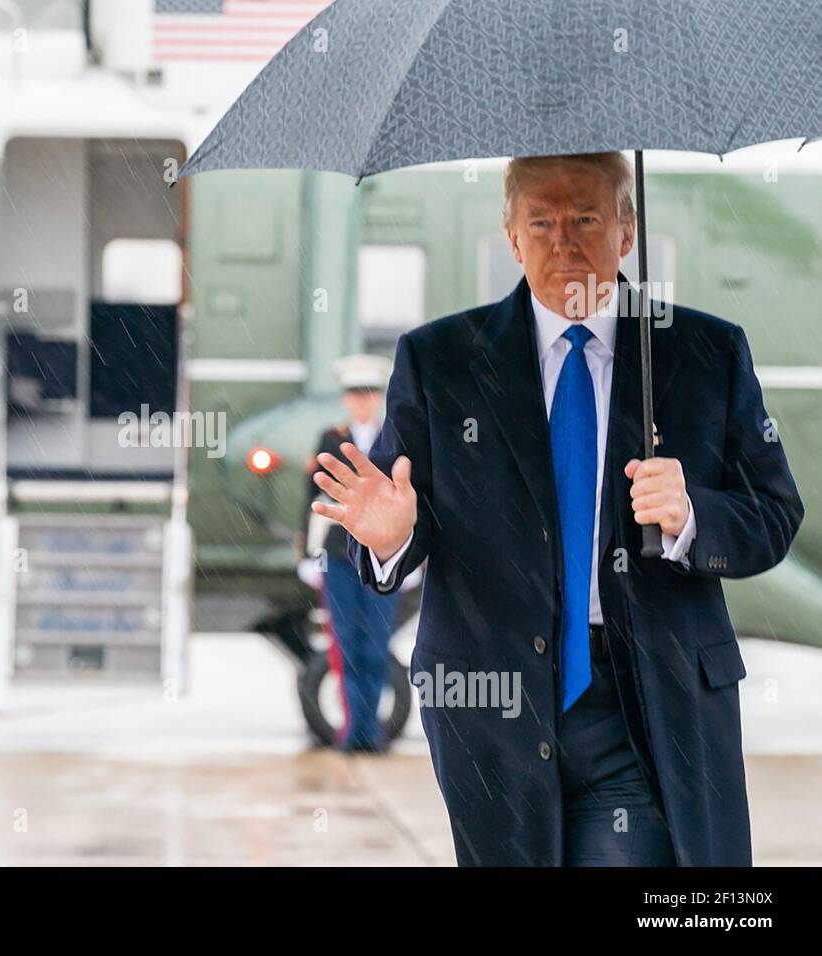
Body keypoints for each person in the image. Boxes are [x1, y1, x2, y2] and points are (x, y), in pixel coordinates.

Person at [312, 151, 804, 866]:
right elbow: (391, 514)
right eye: (541, 221)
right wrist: (393, 538)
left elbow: (772, 513)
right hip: (494, 707)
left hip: (644, 708)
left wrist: (692, 515)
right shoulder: (441, 360)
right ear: (511, 238)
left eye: (586, 219)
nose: (563, 240)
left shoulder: (704, 353)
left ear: (627, 231)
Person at [299, 354, 402, 753]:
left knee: (376, 644)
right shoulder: (330, 439)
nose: (363, 400)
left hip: (382, 555)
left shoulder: (393, 436)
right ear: (346, 399)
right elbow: (311, 498)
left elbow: (407, 496)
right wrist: (307, 556)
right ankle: (354, 732)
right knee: (346, 643)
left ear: (378, 398)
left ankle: (368, 731)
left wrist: (412, 557)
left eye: (370, 393)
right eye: (356, 393)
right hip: (339, 555)